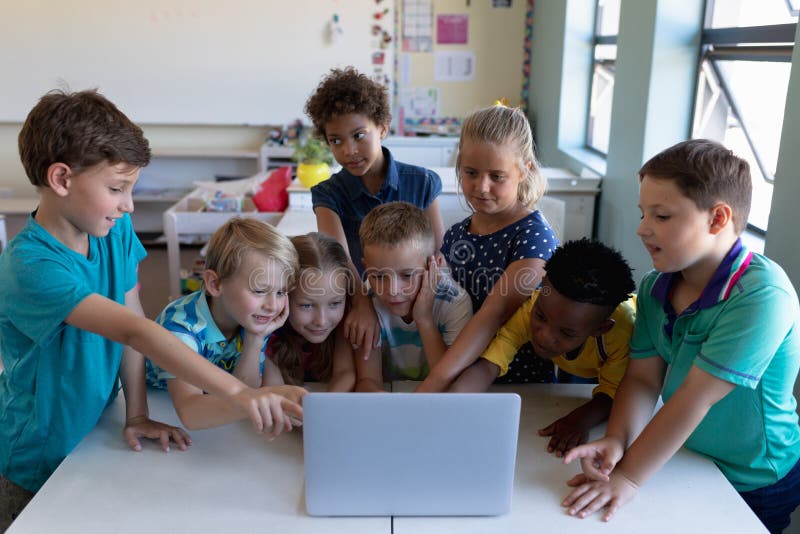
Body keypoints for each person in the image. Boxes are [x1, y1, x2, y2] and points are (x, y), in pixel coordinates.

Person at [0, 90, 303, 529]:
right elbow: (135, 333)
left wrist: (137, 413)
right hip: (38, 459)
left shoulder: (114, 232)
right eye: (117, 189)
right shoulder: (31, 265)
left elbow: (135, 321)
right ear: (62, 179)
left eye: (131, 189)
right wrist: (241, 394)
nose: (129, 205)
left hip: (93, 433)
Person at [562, 140, 800, 533]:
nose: (642, 228)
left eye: (662, 216)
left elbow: (695, 395)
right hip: (688, 456)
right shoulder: (657, 287)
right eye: (643, 213)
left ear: (718, 219)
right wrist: (617, 441)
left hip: (755, 475)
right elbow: (642, 379)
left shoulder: (761, 296)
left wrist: (629, 477)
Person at [416, 104, 560, 392]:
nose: (481, 187)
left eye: (497, 176)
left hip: (521, 388)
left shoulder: (534, 237)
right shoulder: (457, 233)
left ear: (523, 171)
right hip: (456, 378)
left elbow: (492, 316)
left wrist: (430, 388)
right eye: (471, 172)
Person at [305, 66, 445, 360]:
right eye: (336, 140)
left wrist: (420, 309)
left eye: (358, 135)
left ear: (382, 127)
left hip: (415, 302)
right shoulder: (328, 194)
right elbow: (337, 258)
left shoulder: (422, 182)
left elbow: (438, 254)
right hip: (361, 304)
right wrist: (362, 305)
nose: (349, 150)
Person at [451, 239, 636, 456]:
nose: (545, 336)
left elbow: (616, 392)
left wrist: (578, 421)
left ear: (601, 328)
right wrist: (452, 403)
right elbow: (490, 362)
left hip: (605, 370)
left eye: (566, 332)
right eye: (540, 317)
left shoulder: (624, 332)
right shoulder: (536, 302)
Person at [146, 218, 307, 429]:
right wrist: (268, 394)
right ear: (215, 284)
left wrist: (255, 339)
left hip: (215, 411)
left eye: (281, 292)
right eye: (259, 291)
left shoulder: (251, 315)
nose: (273, 305)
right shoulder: (182, 327)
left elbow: (244, 391)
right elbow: (190, 412)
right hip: (160, 408)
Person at [354, 202, 472, 391]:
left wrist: (424, 318)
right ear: (365, 267)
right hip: (387, 404)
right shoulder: (366, 305)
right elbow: (367, 381)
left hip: (436, 406)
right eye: (378, 276)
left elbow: (450, 382)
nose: (392, 290)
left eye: (407, 275)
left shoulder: (454, 302)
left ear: (434, 265)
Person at [263, 232, 356, 391]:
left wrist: (323, 408)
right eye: (307, 306)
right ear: (284, 295)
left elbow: (345, 373)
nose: (321, 320)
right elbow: (274, 390)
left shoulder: (346, 318)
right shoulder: (267, 326)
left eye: (334, 303)